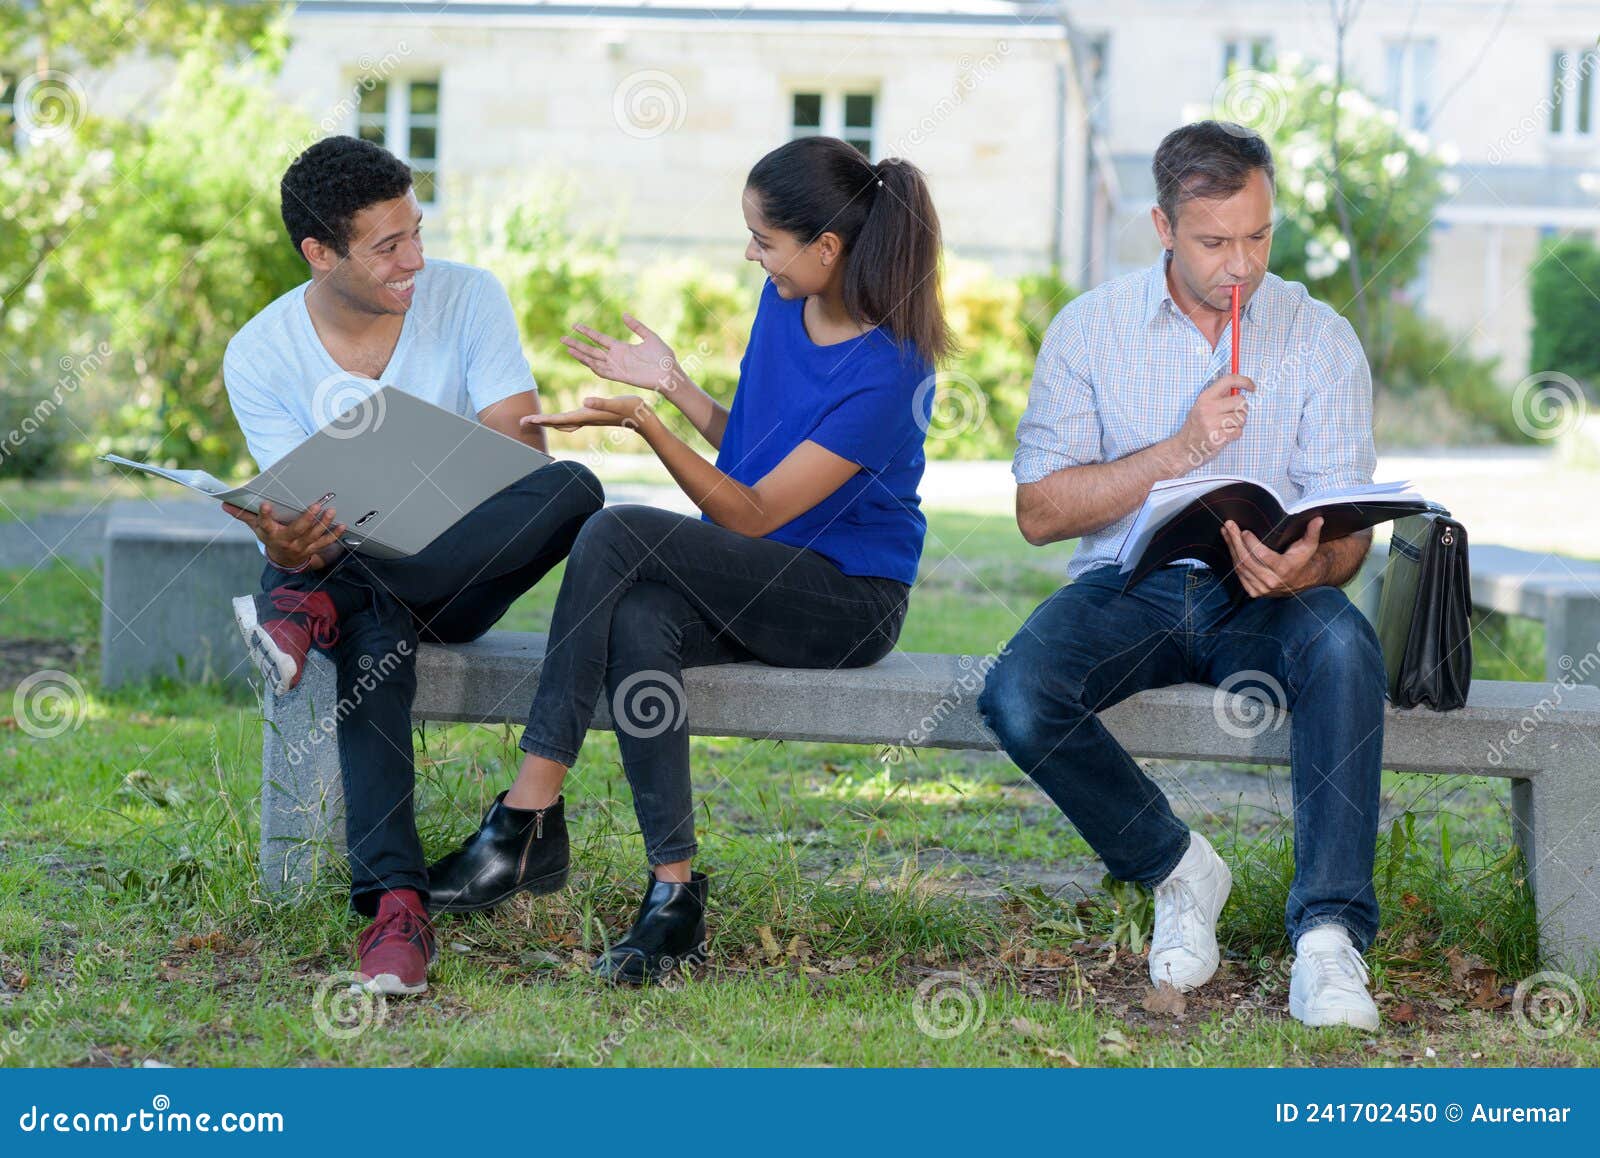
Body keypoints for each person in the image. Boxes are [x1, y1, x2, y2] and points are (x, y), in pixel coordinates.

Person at [425, 135, 951, 984]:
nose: (751, 256)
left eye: (764, 240)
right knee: (640, 617)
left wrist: (646, 423)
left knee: (615, 531)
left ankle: (523, 822)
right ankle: (673, 898)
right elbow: (754, 458)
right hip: (761, 573)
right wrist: (674, 385)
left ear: (826, 247)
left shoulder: (891, 372)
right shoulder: (783, 303)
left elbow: (751, 511)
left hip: (845, 602)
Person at [978, 120, 1385, 1030]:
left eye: (1259, 236)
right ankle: (1176, 867)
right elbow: (1040, 513)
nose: (1241, 265)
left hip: (1266, 599)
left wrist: (1308, 564)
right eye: (1214, 242)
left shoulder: (1320, 337)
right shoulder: (1090, 329)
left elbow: (1348, 533)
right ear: (1163, 228)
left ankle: (1328, 939)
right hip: (1129, 588)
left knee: (1345, 649)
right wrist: (1179, 450)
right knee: (1017, 693)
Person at [221, 136, 603, 996]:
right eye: (389, 246)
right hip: (344, 569)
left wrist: (420, 491)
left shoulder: (468, 297)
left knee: (575, 487)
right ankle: (397, 911)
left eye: (417, 232)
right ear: (320, 254)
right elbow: (300, 518)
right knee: (375, 633)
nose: (416, 260)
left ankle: (308, 609)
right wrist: (287, 546)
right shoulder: (260, 351)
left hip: (454, 570)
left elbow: (522, 455)